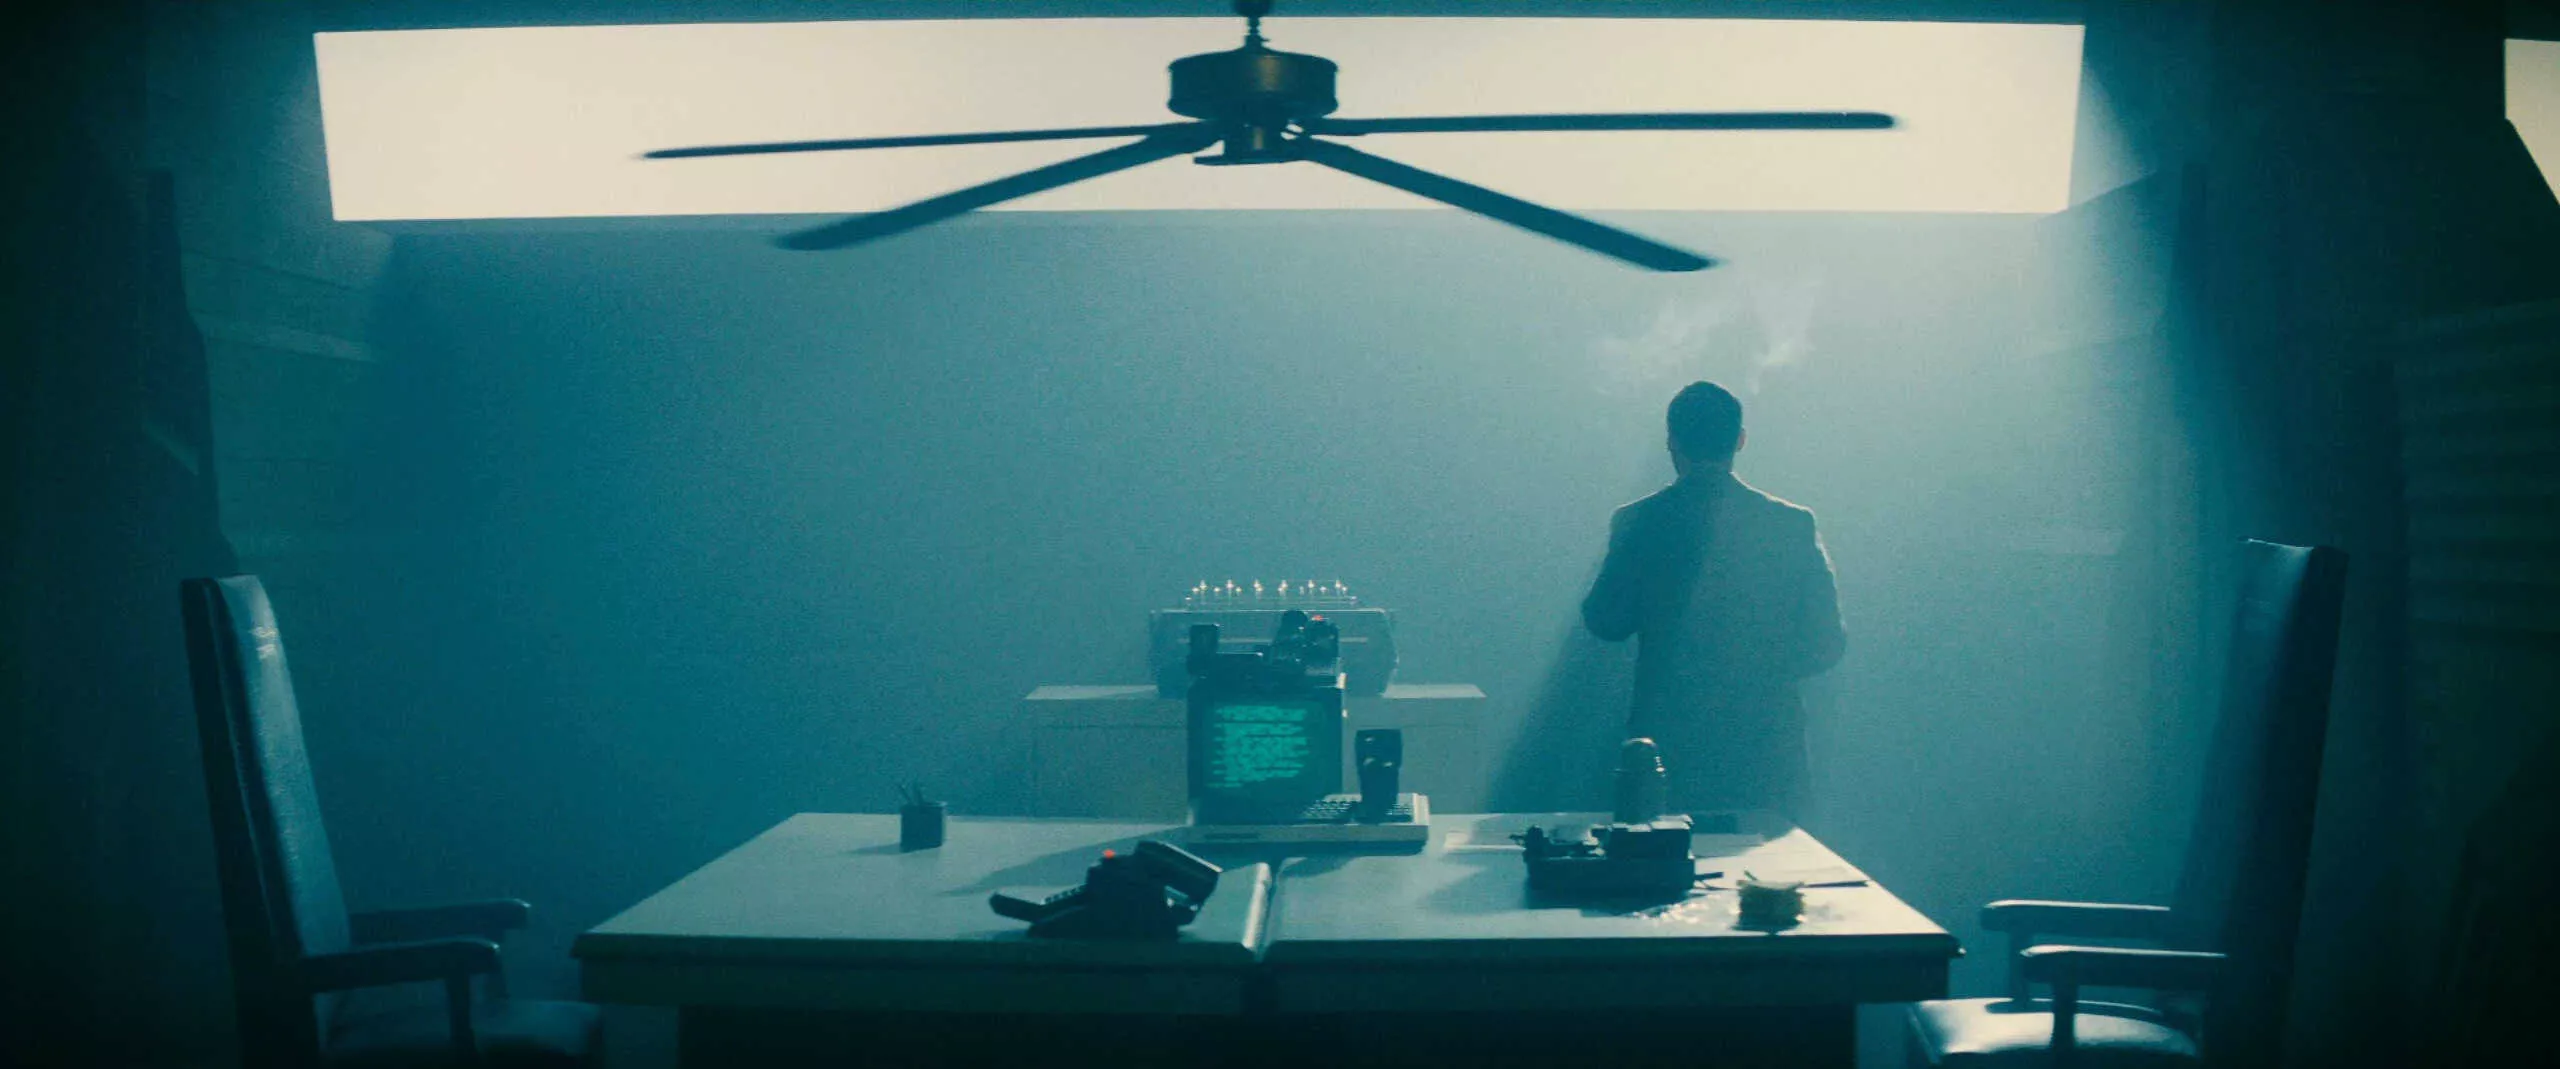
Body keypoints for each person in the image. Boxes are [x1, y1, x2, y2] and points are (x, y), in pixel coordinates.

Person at [1581, 381, 1846, 819]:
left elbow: (1605, 620)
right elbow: (1827, 642)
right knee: (1772, 859)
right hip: (1767, 744)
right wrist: (1759, 677)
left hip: (1669, 743)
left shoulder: (1639, 520)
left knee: (1666, 852)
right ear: (1740, 440)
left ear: (1672, 441)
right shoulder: (1791, 525)